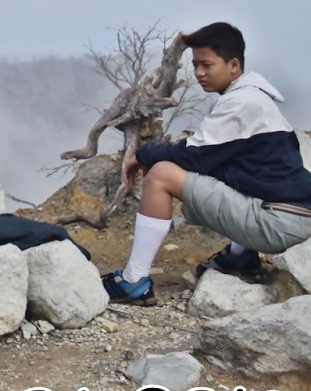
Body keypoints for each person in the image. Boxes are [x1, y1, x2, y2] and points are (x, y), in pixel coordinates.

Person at [103, 22, 311, 305]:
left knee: (162, 175)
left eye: (206, 65)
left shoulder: (240, 103)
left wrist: (142, 155)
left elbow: (193, 157)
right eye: (195, 65)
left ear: (234, 65)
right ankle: (240, 256)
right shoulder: (255, 98)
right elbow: (220, 162)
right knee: (207, 173)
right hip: (291, 215)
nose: (199, 73)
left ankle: (134, 280)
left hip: (278, 222)